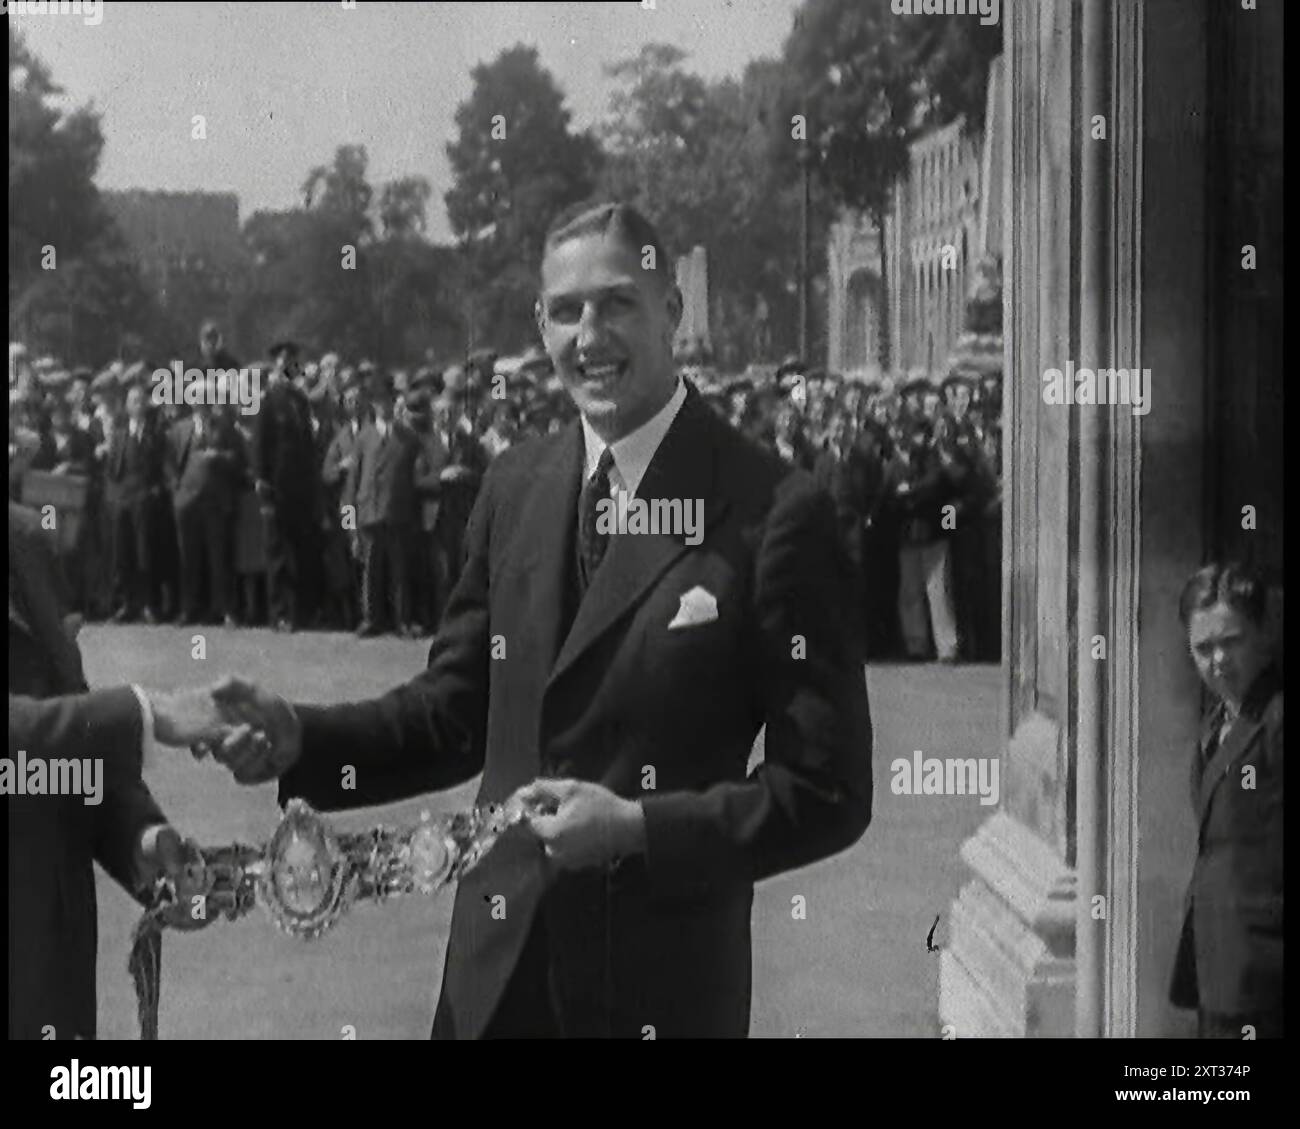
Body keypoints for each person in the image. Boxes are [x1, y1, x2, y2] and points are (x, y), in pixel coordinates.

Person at [209, 201, 873, 1040]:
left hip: (659, 988)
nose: (590, 336)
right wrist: (303, 737)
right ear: (540, 323)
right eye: (566, 311)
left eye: (617, 302)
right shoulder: (515, 486)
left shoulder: (773, 508)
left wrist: (638, 828)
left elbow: (827, 789)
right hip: (493, 978)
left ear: (671, 310)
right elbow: (455, 713)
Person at [8, 501, 237, 1039]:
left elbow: (54, 755)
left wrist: (138, 839)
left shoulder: (25, 537)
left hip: (48, 987)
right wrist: (144, 711)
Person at [1170, 562, 1283, 1039]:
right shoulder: (1218, 722)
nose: (1217, 660)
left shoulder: (1276, 719)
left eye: (1231, 641)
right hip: (1220, 966)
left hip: (1266, 977)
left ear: (1263, 636)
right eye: (1203, 648)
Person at [251, 341, 323, 632]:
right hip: (277, 489)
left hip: (300, 489)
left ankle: (300, 612)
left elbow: (307, 447)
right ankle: (279, 613)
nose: (288, 367)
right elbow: (260, 446)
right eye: (283, 362)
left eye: (292, 362)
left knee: (301, 550)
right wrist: (262, 481)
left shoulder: (301, 401)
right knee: (278, 554)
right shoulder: (269, 401)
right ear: (276, 366)